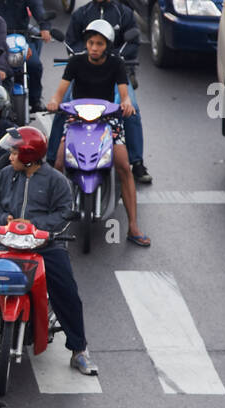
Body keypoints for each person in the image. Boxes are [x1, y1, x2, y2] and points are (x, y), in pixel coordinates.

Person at [0, 126, 98, 374]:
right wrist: (4, 219)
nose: (10, 157)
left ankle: (79, 349)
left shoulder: (57, 181)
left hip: (45, 246)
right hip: (9, 244)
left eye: (15, 152)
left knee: (67, 292)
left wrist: (37, 227)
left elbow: (64, 213)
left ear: (29, 156)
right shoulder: (6, 175)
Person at [47, 21, 150, 246]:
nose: (94, 47)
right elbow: (62, 89)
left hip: (108, 119)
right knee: (58, 161)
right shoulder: (76, 62)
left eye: (99, 44)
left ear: (107, 46)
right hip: (77, 118)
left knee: (123, 164)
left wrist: (126, 103)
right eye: (91, 43)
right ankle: (51, 221)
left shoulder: (116, 63)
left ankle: (133, 226)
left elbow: (123, 92)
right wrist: (55, 101)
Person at [65, 0, 151, 184]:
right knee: (63, 106)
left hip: (116, 73)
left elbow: (133, 43)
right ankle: (54, 161)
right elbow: (71, 41)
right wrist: (85, 55)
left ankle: (137, 162)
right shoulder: (81, 15)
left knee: (132, 111)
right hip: (84, 73)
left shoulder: (124, 13)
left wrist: (114, 58)